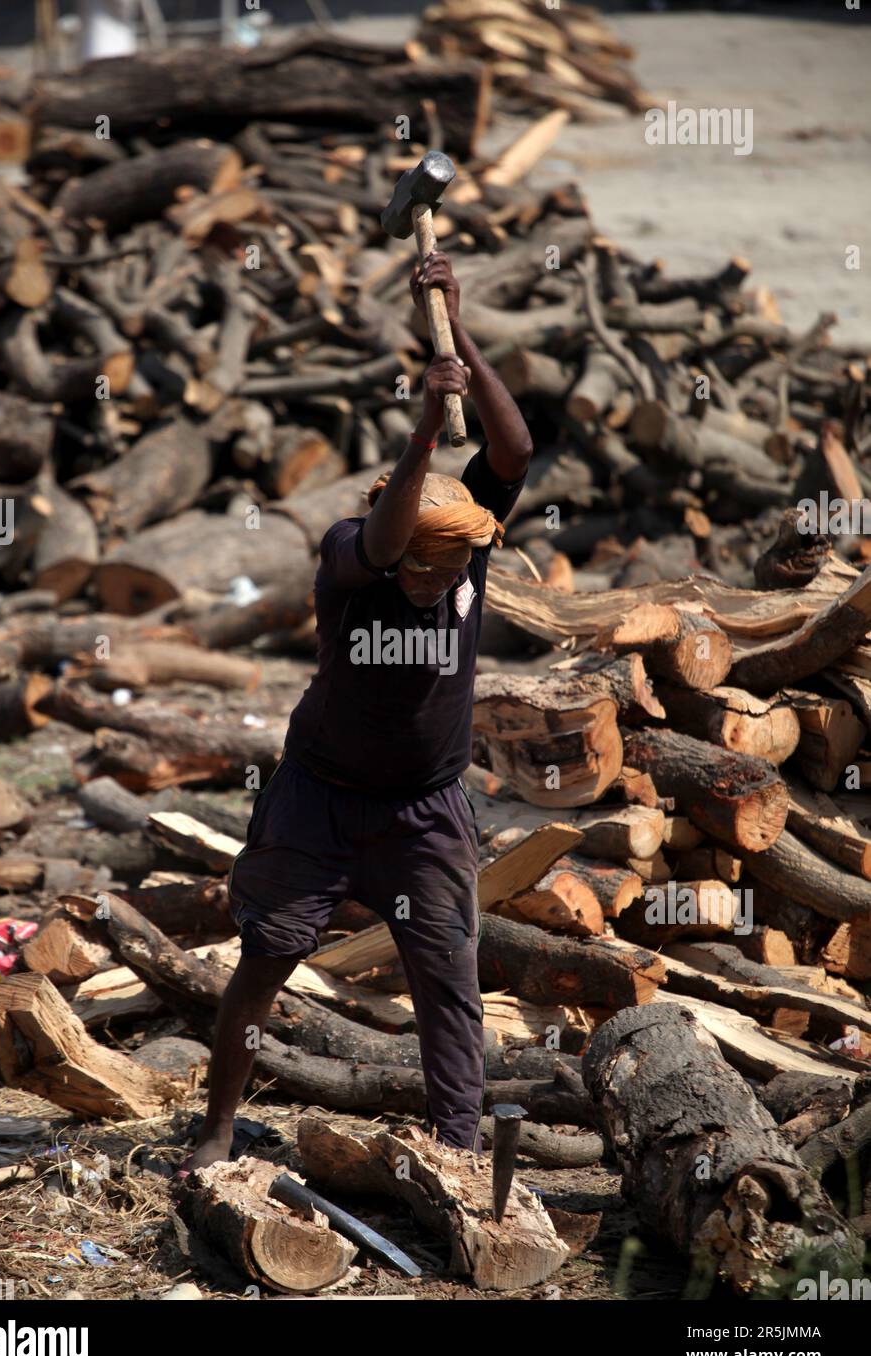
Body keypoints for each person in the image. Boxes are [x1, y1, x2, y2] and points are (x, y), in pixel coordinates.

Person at [180, 250, 531, 1174]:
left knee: (449, 981)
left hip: (427, 806)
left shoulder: (461, 543)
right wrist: (423, 430)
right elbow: (384, 540)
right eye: (424, 567)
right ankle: (216, 1128)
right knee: (265, 960)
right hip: (321, 798)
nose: (437, 583)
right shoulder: (354, 558)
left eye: (451, 569)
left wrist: (463, 333)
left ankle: (456, 1153)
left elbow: (512, 453)